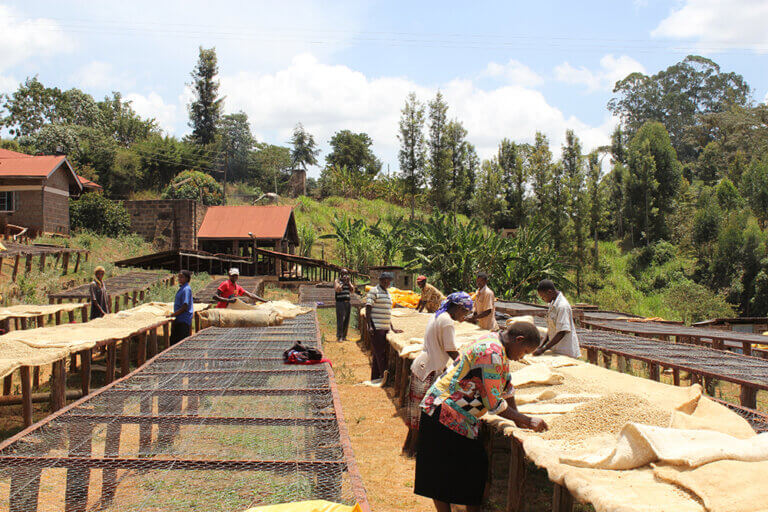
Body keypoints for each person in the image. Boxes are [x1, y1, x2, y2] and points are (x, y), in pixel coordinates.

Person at [415, 322, 547, 511]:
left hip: (458, 415)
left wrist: (518, 418)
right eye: (524, 351)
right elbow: (493, 403)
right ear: (518, 340)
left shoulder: (497, 344)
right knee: (444, 474)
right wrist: (527, 420)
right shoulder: (491, 352)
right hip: (442, 411)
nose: (522, 357)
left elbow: (506, 386)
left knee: (473, 472)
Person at [403, 292, 473, 457]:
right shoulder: (447, 322)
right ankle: (414, 450)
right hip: (430, 369)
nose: (464, 316)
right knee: (424, 412)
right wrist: (466, 367)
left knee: (415, 411)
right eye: (464, 312)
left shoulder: (438, 316)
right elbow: (451, 350)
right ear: (458, 308)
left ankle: (409, 447)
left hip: (423, 366)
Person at [364, 271, 403, 383]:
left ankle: (376, 377)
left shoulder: (387, 292)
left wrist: (392, 328)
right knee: (380, 354)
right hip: (377, 327)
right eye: (385, 280)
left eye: (389, 281)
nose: (387, 283)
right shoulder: (374, 291)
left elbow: (387, 312)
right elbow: (368, 308)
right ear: (380, 280)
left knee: (378, 353)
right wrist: (369, 325)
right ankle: (384, 378)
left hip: (384, 327)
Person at [533, 279, 580, 358]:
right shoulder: (552, 304)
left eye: (543, 297)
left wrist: (544, 349)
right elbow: (551, 329)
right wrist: (541, 346)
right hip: (557, 350)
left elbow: (562, 332)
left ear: (549, 292)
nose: (542, 299)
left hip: (565, 351)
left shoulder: (562, 306)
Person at [167, 270, 194, 345]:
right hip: (179, 318)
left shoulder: (186, 289)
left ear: (187, 278)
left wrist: (173, 314)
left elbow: (185, 306)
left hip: (183, 320)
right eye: (178, 277)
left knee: (180, 342)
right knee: (174, 341)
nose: (179, 279)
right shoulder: (182, 288)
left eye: (181, 277)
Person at [334, 269, 356, 342]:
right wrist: (343, 283)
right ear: (340, 274)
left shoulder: (348, 282)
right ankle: (339, 336)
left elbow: (352, 290)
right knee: (340, 319)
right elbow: (338, 289)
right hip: (340, 302)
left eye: (346, 274)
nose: (345, 276)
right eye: (343, 274)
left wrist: (348, 283)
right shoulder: (337, 281)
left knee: (346, 319)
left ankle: (344, 336)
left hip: (347, 302)